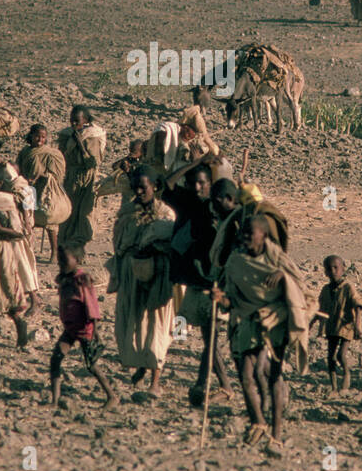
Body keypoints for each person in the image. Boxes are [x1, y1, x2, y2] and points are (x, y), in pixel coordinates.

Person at [212, 214, 310, 448]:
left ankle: (276, 432)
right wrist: (220, 298)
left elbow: (301, 287)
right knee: (245, 373)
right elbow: (232, 300)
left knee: (274, 376)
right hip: (248, 318)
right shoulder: (236, 262)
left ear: (263, 235)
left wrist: (284, 277)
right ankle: (258, 422)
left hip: (275, 318)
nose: (245, 237)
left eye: (250, 233)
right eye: (243, 233)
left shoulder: (278, 259)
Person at [167, 162, 234, 405]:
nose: (197, 187)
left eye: (203, 183)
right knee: (210, 339)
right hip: (201, 281)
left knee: (212, 338)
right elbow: (167, 184)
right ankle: (225, 386)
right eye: (193, 182)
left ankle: (201, 383)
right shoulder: (192, 206)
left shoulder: (225, 215)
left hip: (218, 285)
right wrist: (193, 162)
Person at [108, 167, 177, 397]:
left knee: (157, 326)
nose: (138, 192)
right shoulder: (127, 213)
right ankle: (140, 365)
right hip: (131, 275)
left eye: (143, 188)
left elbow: (171, 246)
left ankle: (155, 381)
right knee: (134, 322)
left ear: (155, 187)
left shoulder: (166, 216)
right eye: (135, 188)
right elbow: (119, 245)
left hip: (159, 276)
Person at [0, 164, 39, 348]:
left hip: (3, 252)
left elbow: (18, 233)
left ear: (0, 183)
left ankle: (20, 324)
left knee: (9, 291)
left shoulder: (7, 202)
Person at [50, 246, 119, 410]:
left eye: (64, 260)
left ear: (77, 261)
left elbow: (92, 305)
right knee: (56, 358)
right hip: (71, 328)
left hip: (84, 328)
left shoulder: (82, 280)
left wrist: (95, 332)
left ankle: (112, 396)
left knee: (91, 365)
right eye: (59, 261)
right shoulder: (66, 279)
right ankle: (54, 400)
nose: (60, 263)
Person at [56, 105, 106, 255]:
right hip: (71, 176)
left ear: (85, 120)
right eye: (71, 120)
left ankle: (79, 249)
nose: (73, 124)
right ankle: (65, 249)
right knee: (68, 212)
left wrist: (79, 144)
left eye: (77, 121)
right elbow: (61, 157)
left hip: (89, 177)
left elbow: (92, 162)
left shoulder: (92, 135)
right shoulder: (66, 135)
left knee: (84, 214)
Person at [311, 255, 362, 392]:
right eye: (329, 269)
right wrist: (311, 323)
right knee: (330, 357)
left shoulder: (348, 287)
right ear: (325, 272)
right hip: (331, 327)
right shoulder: (325, 290)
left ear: (343, 269)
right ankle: (334, 386)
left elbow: (358, 305)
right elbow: (319, 308)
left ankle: (346, 374)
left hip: (346, 327)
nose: (333, 271)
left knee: (341, 354)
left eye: (336, 267)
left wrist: (358, 325)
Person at [18, 124, 68, 262]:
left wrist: (41, 176)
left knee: (49, 222)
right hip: (28, 189)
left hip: (45, 190)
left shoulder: (50, 153)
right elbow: (19, 167)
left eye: (43, 137)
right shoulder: (25, 152)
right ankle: (28, 251)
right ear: (31, 136)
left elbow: (57, 173)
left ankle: (54, 253)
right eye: (37, 136)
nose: (40, 139)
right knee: (27, 220)